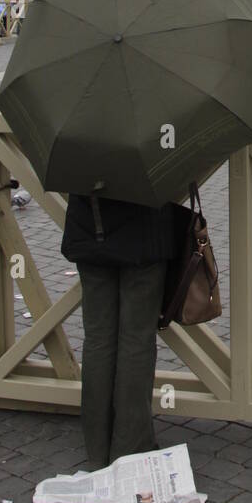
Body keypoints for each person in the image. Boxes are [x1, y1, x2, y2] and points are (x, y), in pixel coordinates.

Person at [61, 193, 194, 470]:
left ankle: (97, 449)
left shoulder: (74, 149)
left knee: (98, 340)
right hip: (144, 233)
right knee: (137, 341)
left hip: (90, 229)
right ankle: (131, 446)